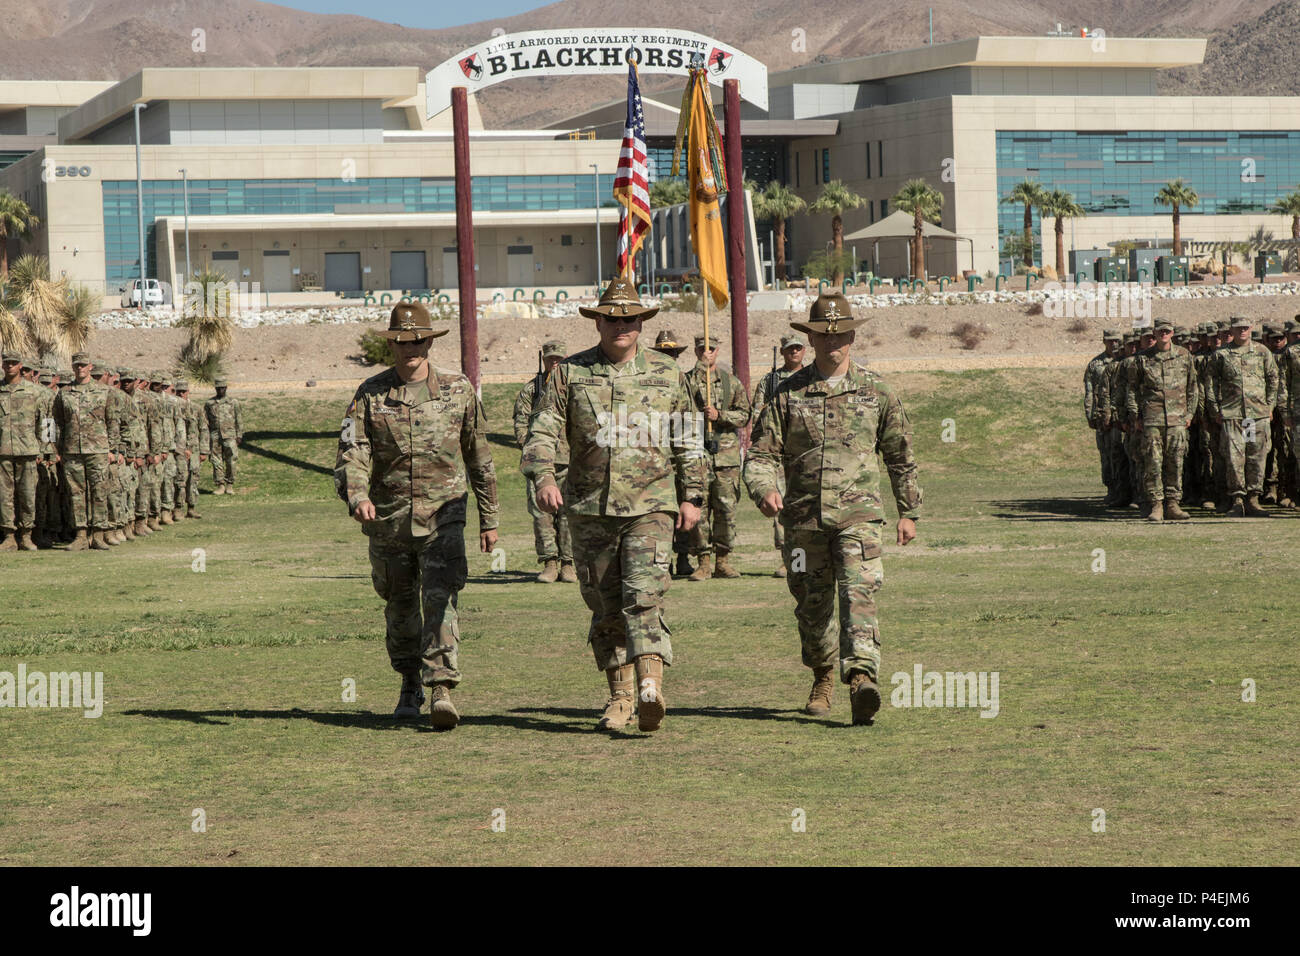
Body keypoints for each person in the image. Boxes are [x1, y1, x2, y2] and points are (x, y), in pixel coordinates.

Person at [522, 278, 705, 733]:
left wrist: (693, 495)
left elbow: (688, 439)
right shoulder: (569, 373)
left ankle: (650, 687)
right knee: (604, 605)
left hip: (652, 505)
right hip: (589, 509)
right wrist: (544, 475)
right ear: (598, 322)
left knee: (643, 596)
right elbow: (542, 430)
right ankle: (620, 696)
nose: (621, 325)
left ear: (642, 323)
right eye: (612, 318)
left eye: (630, 318)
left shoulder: (668, 374)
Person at [744, 293, 921, 726]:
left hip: (859, 518)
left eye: (840, 333)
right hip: (803, 522)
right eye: (824, 335)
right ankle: (823, 673)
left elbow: (900, 454)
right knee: (811, 604)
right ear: (811, 338)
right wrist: (764, 489)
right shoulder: (787, 393)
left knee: (859, 593)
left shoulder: (877, 391)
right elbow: (761, 454)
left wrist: (909, 511)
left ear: (853, 335)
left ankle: (861, 677)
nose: (833, 342)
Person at [335, 302, 498, 729]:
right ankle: (409, 682)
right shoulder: (369, 395)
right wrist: (356, 496)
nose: (412, 348)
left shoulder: (458, 390)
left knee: (440, 598)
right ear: (392, 344)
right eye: (403, 341)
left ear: (429, 342)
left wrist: (490, 517)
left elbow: (479, 456)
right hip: (388, 520)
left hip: (444, 515)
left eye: (419, 340)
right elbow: (352, 451)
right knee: (400, 605)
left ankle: (441, 688)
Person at [684, 333, 750, 580]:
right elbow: (678, 409)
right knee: (698, 507)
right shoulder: (687, 381)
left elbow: (744, 415)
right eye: (701, 348)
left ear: (718, 350)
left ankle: (723, 559)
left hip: (725, 458)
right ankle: (703, 561)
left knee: (725, 508)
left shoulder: (730, 382)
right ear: (695, 350)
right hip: (697, 455)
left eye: (710, 348)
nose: (706, 352)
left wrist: (720, 415)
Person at [512, 340, 574, 583]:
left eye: (559, 358)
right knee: (541, 514)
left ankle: (568, 563)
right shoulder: (532, 390)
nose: (555, 362)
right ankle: (550, 562)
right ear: (544, 360)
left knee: (568, 513)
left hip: (569, 461)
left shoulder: (573, 388)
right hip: (541, 464)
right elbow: (520, 424)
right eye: (551, 359)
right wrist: (531, 451)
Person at [1206, 315, 1278, 517]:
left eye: (1245, 328)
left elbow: (1273, 379)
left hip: (1256, 414)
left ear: (1251, 328)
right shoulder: (1221, 355)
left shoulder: (1262, 352)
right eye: (1238, 328)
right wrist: (1215, 409)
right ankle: (1237, 499)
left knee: (1256, 455)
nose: (1242, 331)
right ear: (1232, 330)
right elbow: (1210, 383)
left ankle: (1253, 498)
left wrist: (1270, 405)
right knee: (1234, 457)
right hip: (1233, 415)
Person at [1126, 319, 1197, 522]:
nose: (1164, 334)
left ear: (1172, 332)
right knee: (1153, 463)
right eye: (1160, 331)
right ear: (1155, 334)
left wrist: (1189, 414)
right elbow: (1132, 389)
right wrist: (1135, 416)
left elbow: (1193, 387)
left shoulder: (1184, 356)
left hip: (1177, 419)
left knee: (1175, 462)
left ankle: (1173, 504)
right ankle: (1156, 505)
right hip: (1152, 418)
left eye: (1167, 331)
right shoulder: (1142, 359)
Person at [751, 333, 808, 576]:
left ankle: (805, 560)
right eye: (789, 349)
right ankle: (790, 559)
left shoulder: (811, 378)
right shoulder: (770, 381)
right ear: (782, 352)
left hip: (805, 453)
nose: (794, 352)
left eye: (798, 348)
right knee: (781, 508)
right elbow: (756, 414)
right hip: (778, 454)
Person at [54, 353, 119, 551]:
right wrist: (54, 448)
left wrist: (113, 449)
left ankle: (98, 534)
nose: (80, 368)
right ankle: (81, 535)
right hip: (72, 450)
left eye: (83, 365)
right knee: (76, 493)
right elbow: (54, 422)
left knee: (99, 491)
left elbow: (113, 421)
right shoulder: (64, 392)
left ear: (90, 367)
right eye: (76, 366)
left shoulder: (105, 391)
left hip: (98, 449)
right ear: (73, 368)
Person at [651, 329, 696, 578]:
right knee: (661, 515)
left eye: (671, 352)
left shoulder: (680, 380)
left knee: (684, 510)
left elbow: (687, 423)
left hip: (680, 459)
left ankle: (683, 557)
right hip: (658, 462)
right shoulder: (647, 378)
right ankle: (662, 561)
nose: (668, 356)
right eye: (663, 352)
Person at [0, 351, 44, 552]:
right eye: (6, 363)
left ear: (20, 366)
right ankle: (8, 536)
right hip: (3, 452)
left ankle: (26, 535)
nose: (9, 366)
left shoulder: (34, 392)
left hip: (28, 451)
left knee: (27, 495)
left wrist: (46, 451)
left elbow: (46, 423)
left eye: (13, 363)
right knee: (4, 496)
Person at [1085, 330, 1122, 506]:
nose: (1114, 344)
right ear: (1104, 342)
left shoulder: (1124, 361)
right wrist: (1090, 414)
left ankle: (1125, 490)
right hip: (1101, 415)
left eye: (1117, 340)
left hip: (1119, 414)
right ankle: (1111, 489)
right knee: (1106, 455)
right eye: (1110, 341)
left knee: (1120, 453)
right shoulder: (1095, 364)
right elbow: (1089, 391)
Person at [206, 378, 243, 494]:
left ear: (226, 388)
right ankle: (220, 485)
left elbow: (239, 419)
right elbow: (206, 420)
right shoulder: (209, 403)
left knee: (231, 460)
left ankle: (230, 484)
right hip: (215, 435)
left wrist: (239, 435)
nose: (220, 390)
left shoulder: (233, 402)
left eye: (222, 388)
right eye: (218, 388)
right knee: (216, 461)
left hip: (230, 435)